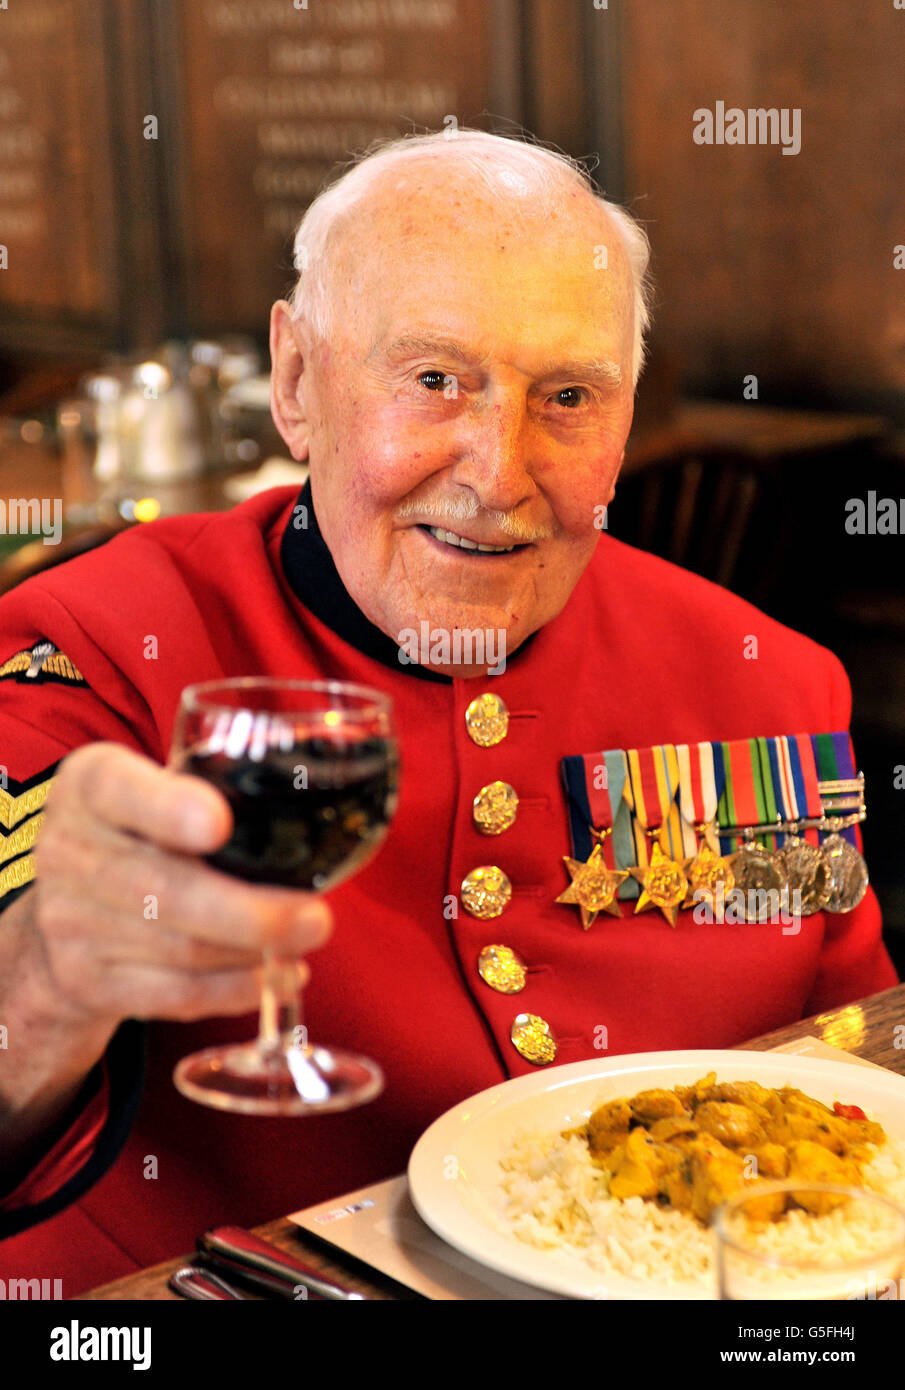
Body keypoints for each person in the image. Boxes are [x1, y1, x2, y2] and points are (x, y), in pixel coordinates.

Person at [0, 131, 896, 1295]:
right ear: (295, 381)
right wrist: (43, 985)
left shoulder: (763, 678)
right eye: (433, 381)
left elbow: (847, 1065)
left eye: (566, 396)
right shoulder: (90, 648)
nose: (495, 471)